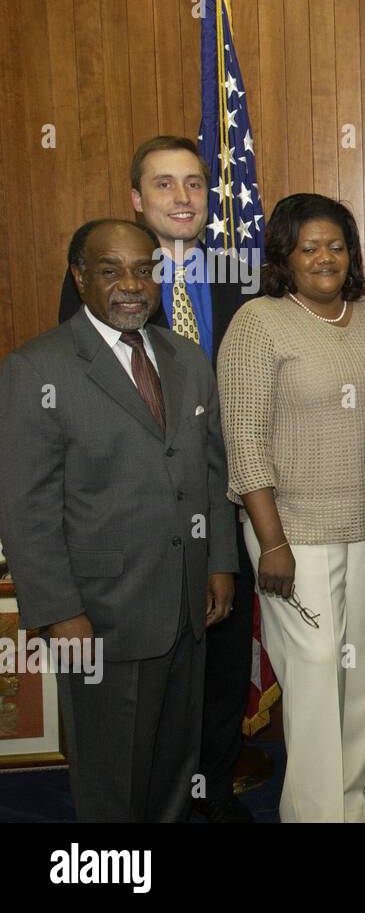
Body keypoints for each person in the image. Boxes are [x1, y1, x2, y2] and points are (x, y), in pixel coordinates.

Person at [0, 219, 237, 821]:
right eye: (111, 270)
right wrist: (58, 613)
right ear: (80, 277)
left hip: (187, 607)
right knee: (112, 781)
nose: (131, 285)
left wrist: (220, 566)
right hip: (99, 615)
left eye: (143, 269)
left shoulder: (186, 357)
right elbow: (26, 507)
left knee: (174, 770)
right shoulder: (38, 369)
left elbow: (211, 470)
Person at [56, 135, 258, 822]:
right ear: (138, 199)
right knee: (137, 694)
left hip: (228, 497)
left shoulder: (241, 272)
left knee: (221, 660)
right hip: (133, 522)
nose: (182, 197)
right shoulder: (98, 272)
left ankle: (213, 786)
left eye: (195, 184)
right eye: (164, 185)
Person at [217, 193, 365, 822]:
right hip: (292, 534)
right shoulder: (258, 323)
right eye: (309, 246)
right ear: (284, 258)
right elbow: (244, 440)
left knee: (355, 680)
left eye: (337, 245)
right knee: (316, 681)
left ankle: (351, 808)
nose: (325, 257)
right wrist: (273, 542)